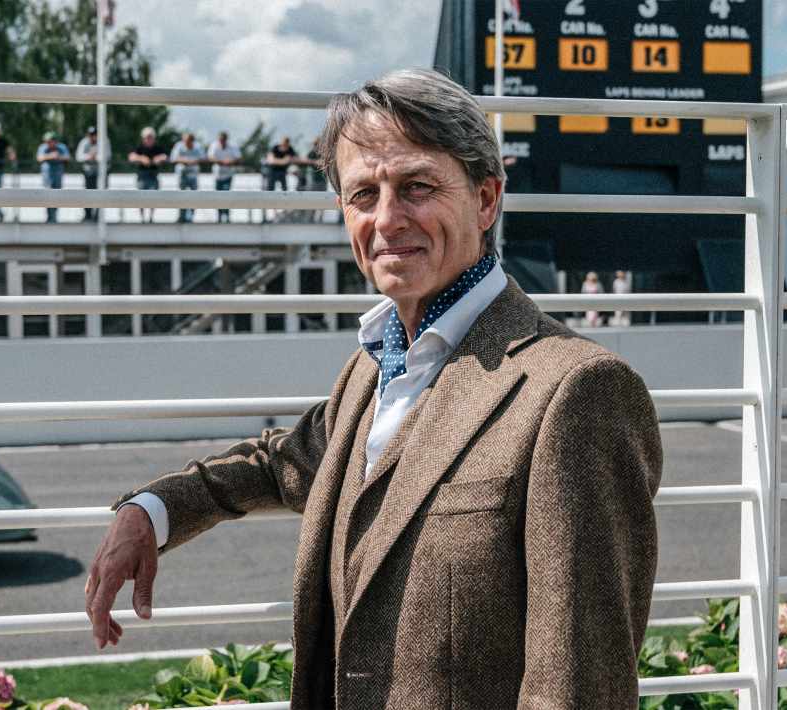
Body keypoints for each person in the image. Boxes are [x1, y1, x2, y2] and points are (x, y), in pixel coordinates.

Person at [85, 69, 662, 709]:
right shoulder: (373, 366)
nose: (387, 219)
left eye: (417, 187)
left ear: (486, 199)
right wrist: (151, 512)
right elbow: (284, 464)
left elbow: (578, 688)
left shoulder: (577, 391)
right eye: (364, 194)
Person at [128, 127, 167, 223]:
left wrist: (158, 158)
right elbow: (131, 157)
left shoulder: (157, 148)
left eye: (151, 137)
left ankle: (150, 218)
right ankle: (142, 218)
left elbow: (165, 156)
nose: (149, 139)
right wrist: (141, 158)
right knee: (140, 197)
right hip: (142, 176)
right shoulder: (140, 148)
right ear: (143, 138)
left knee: (153, 197)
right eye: (147, 137)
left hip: (153, 176)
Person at [74, 126, 111, 223]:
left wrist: (96, 157)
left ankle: (98, 215)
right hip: (89, 172)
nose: (92, 137)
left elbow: (107, 155)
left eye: (94, 134)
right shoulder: (84, 142)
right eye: (91, 135)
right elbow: (79, 156)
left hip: (101, 173)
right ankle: (88, 215)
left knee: (101, 193)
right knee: (88, 193)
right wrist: (89, 156)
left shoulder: (104, 141)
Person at [36, 131, 70, 223]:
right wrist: (50, 156)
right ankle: (49, 216)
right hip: (47, 176)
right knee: (47, 196)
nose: (49, 143)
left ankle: (54, 216)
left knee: (57, 196)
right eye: (47, 141)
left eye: (50, 141)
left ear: (55, 141)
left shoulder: (62, 147)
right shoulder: (43, 147)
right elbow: (39, 158)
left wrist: (58, 157)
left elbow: (67, 157)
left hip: (58, 175)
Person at [206, 131, 241, 223]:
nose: (221, 142)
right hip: (217, 176)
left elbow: (238, 158)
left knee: (227, 196)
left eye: (223, 140)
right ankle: (219, 217)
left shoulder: (233, 146)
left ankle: (227, 217)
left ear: (226, 139)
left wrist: (230, 161)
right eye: (220, 140)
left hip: (228, 175)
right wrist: (221, 161)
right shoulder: (214, 145)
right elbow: (210, 157)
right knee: (218, 197)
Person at [169, 132, 203, 223]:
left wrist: (194, 161)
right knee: (181, 196)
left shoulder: (198, 147)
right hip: (182, 175)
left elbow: (203, 157)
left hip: (193, 175)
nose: (187, 143)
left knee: (194, 197)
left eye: (189, 141)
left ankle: (191, 217)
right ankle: (181, 216)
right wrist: (185, 160)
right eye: (186, 141)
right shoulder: (179, 146)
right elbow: (173, 158)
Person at [263, 136, 297, 222]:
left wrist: (277, 161)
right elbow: (270, 160)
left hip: (282, 173)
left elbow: (289, 160)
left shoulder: (290, 149)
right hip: (272, 172)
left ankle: (284, 211)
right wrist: (282, 161)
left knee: (285, 192)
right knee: (270, 192)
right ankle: (273, 213)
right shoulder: (275, 148)